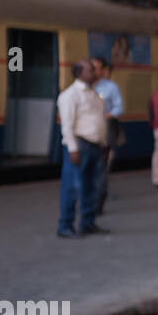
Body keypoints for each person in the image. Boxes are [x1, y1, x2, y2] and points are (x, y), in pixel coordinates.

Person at [56, 60, 108, 238]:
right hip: (80, 146)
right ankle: (65, 225)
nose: (95, 73)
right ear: (80, 73)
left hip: (94, 146)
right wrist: (72, 149)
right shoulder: (70, 95)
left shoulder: (93, 94)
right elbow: (67, 125)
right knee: (72, 187)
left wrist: (102, 143)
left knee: (90, 186)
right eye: (91, 70)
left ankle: (88, 222)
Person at [90, 56, 123, 215]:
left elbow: (118, 108)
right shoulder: (82, 88)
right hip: (86, 133)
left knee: (101, 168)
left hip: (104, 131)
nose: (94, 71)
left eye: (97, 68)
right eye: (91, 67)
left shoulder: (110, 87)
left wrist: (106, 115)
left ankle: (97, 203)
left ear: (103, 70)